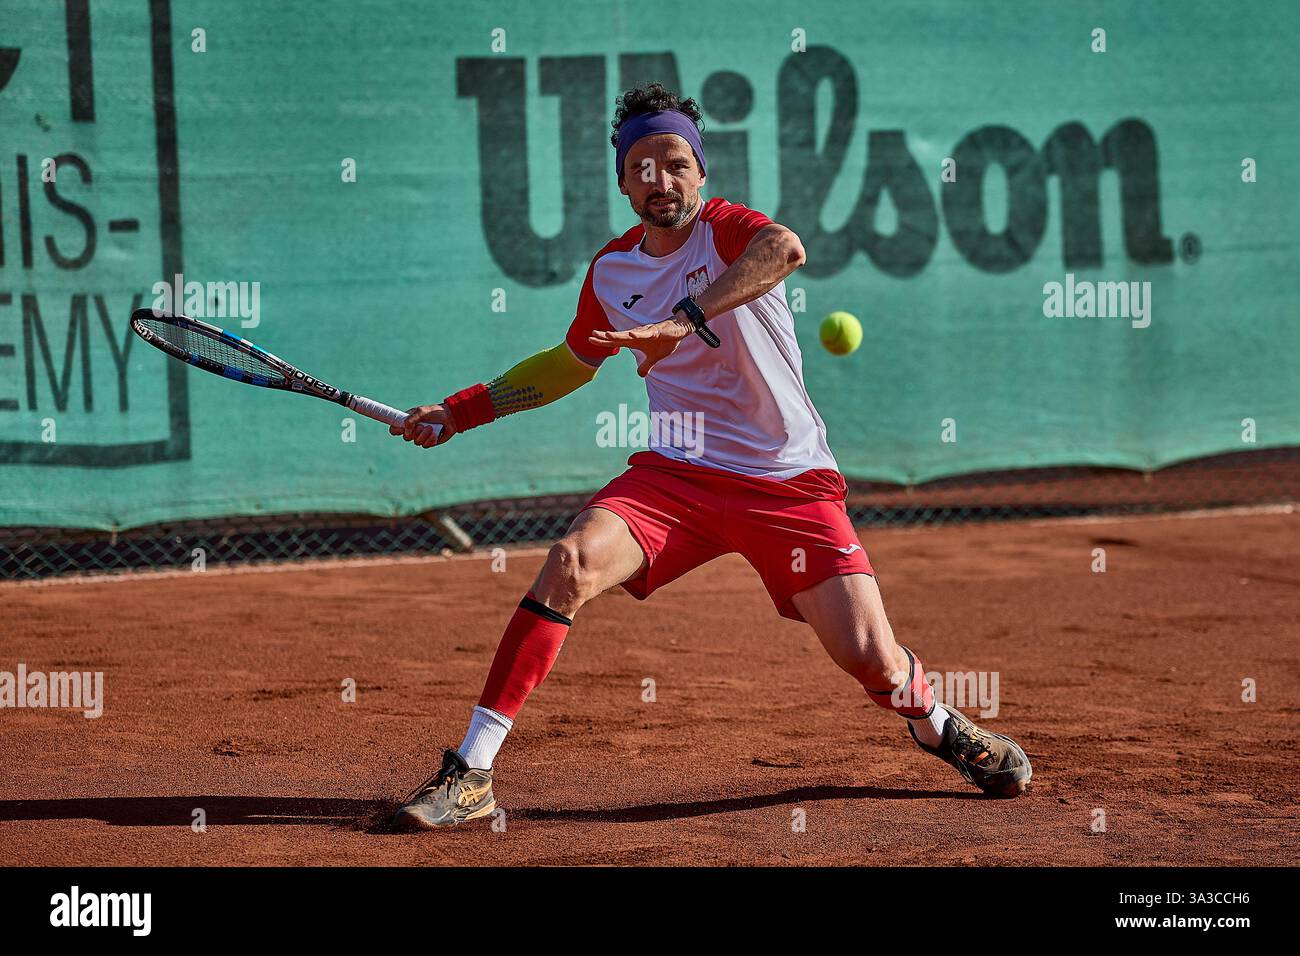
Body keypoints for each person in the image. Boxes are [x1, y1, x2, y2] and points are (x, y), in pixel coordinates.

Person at [389, 83, 1030, 829]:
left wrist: (682, 321)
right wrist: (461, 412)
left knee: (873, 661)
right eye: (642, 168)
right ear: (624, 182)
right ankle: (472, 772)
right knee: (569, 563)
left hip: (787, 483)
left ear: (701, 171)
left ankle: (938, 725)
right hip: (676, 478)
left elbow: (784, 248)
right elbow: (569, 362)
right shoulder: (612, 273)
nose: (660, 179)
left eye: (675, 162)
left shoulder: (728, 232)